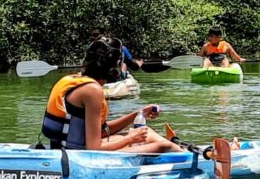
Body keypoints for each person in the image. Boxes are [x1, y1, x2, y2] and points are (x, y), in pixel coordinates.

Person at [41, 36, 181, 153]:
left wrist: (137, 114)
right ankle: (194, 161)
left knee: (147, 133)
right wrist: (131, 138)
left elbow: (100, 132)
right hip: (78, 156)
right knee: (164, 146)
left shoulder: (73, 80)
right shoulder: (92, 90)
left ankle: (184, 152)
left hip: (68, 149)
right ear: (115, 67)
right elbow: (94, 148)